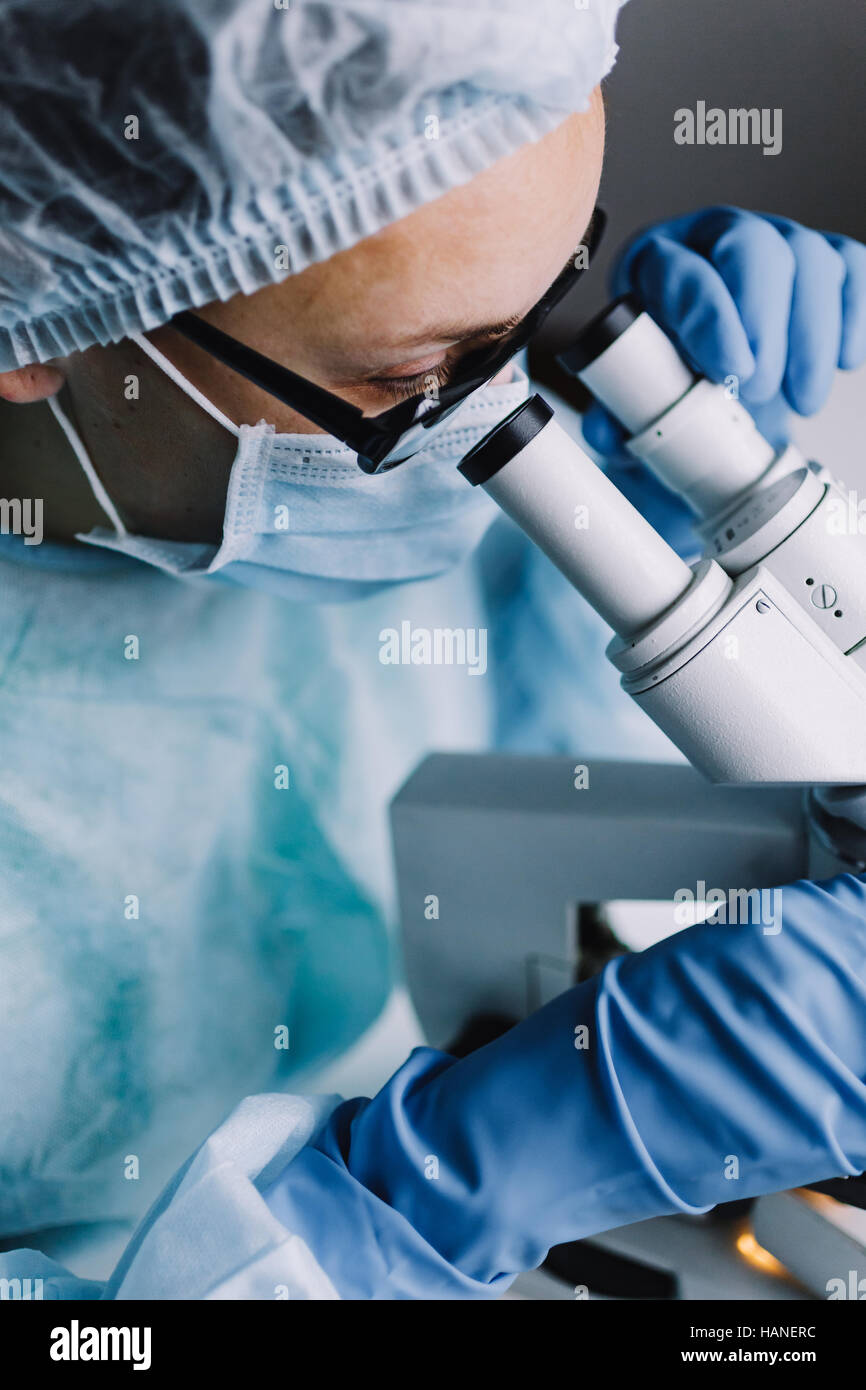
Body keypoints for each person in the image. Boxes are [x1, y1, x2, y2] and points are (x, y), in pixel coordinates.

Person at [0, 0, 864, 1299]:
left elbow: (533, 779)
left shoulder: (315, 516)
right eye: (422, 382)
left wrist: (657, 516)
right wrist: (414, 1206)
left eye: (551, 300)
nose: (514, 420)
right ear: (51, 323)